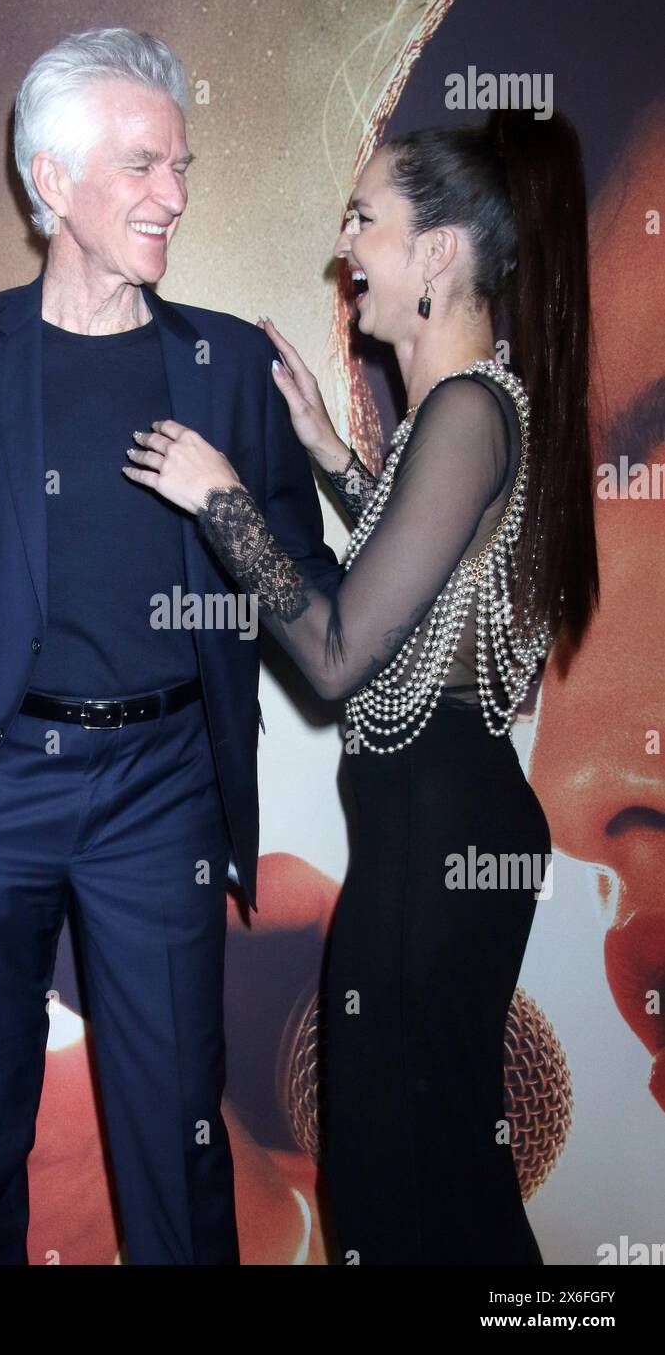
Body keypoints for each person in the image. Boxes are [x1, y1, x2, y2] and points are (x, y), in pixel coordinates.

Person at [0, 27, 340, 1265]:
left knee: (179, 1148)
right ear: (49, 181)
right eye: (140, 166)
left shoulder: (224, 367)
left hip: (161, 792)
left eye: (181, 164)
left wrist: (231, 498)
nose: (173, 193)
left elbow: (311, 598)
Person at [123, 108, 599, 1264]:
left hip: (436, 847)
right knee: (433, 1180)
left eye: (367, 221)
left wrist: (219, 495)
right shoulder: (470, 413)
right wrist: (336, 454)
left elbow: (342, 655)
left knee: (405, 1193)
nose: (348, 249)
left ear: (439, 251)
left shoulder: (470, 411)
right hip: (431, 835)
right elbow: (423, 573)